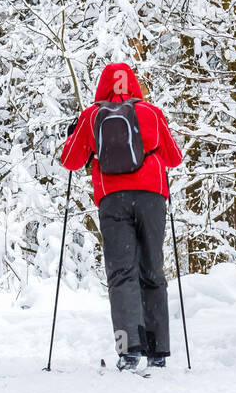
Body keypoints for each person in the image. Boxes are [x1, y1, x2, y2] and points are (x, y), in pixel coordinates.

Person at [60, 62, 183, 371]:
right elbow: (174, 158)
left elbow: (70, 162)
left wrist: (73, 134)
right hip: (152, 198)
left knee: (121, 274)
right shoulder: (151, 113)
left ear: (104, 85)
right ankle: (158, 351)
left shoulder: (92, 116)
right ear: (133, 83)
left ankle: (129, 351)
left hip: (113, 200)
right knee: (152, 270)